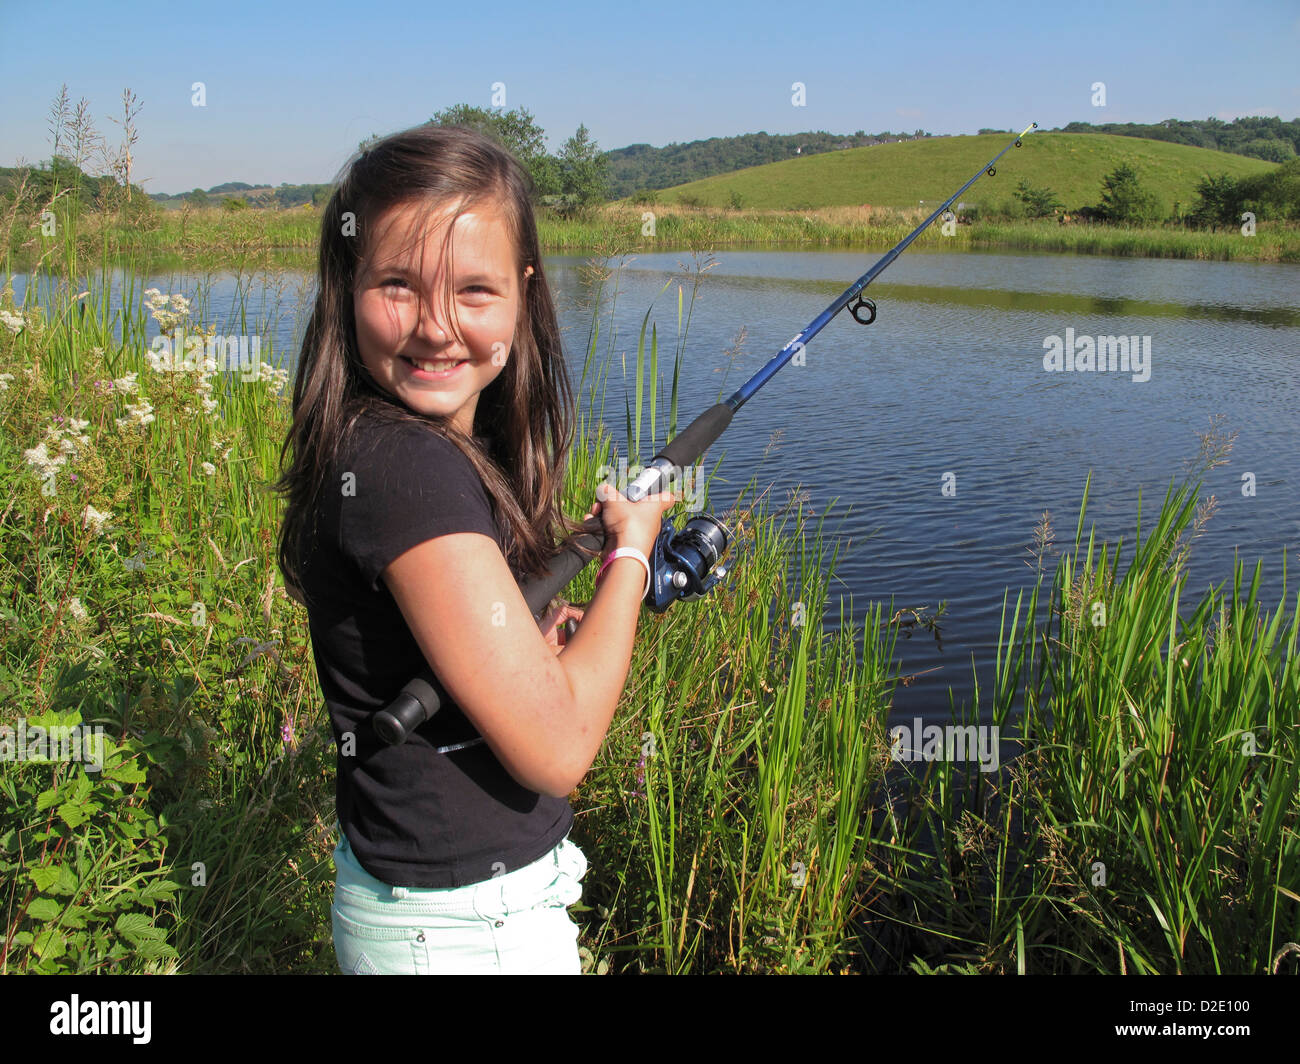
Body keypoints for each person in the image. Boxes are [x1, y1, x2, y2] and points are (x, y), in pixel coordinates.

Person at [274, 124, 675, 974]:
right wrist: (630, 559)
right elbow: (559, 751)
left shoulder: (409, 447)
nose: (437, 327)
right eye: (397, 285)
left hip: (443, 906)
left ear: (525, 292)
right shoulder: (405, 467)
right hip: (461, 933)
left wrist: (523, 655)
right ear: (348, 283)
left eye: (476, 291)